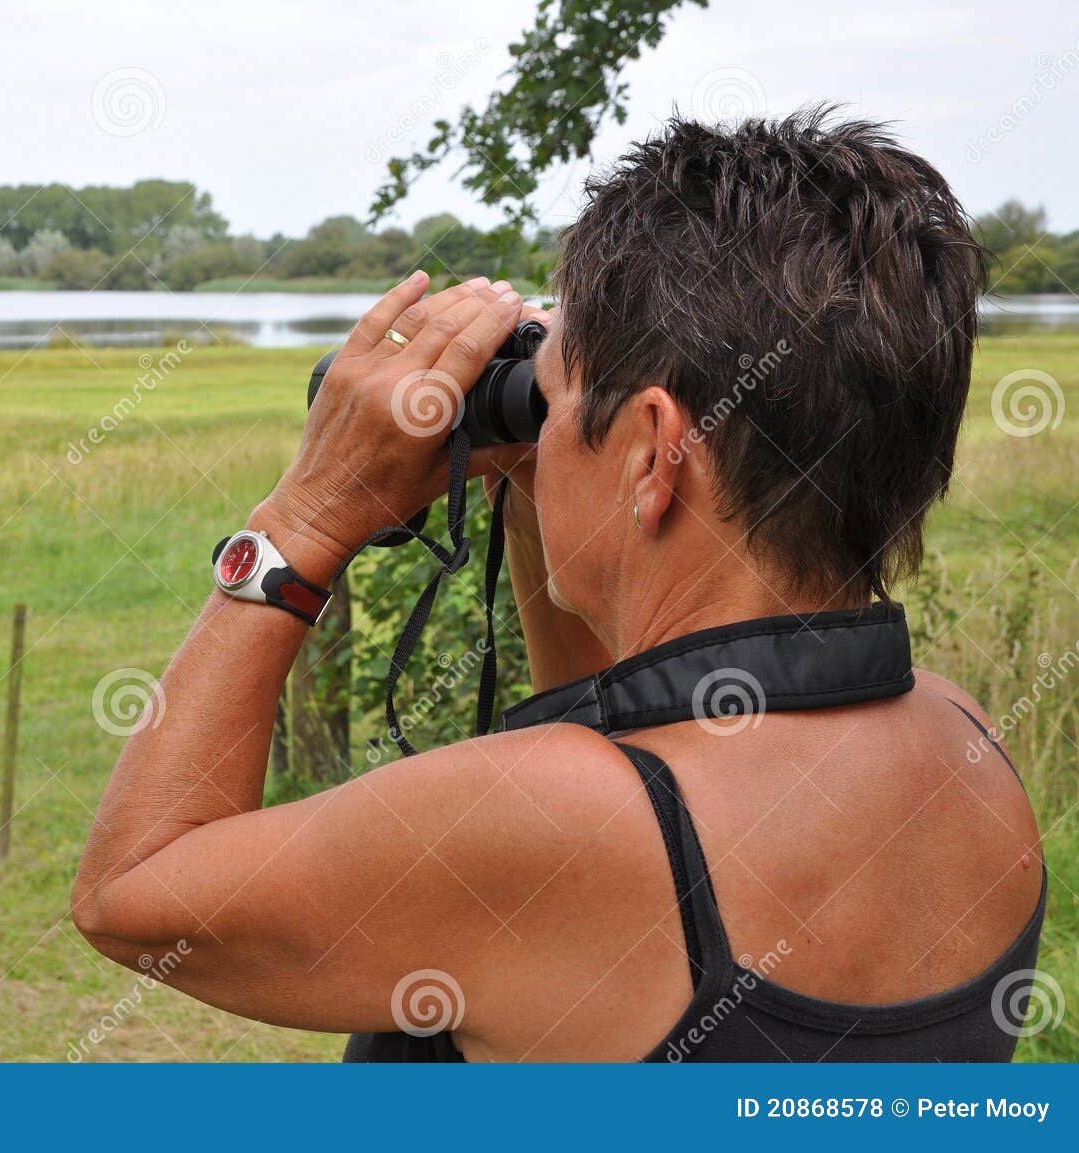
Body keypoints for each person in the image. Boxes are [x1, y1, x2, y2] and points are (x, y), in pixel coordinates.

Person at [71, 110, 1045, 1061]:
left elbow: (131, 893)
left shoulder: (551, 827)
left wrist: (304, 518)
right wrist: (553, 462)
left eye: (552, 400)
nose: (542, 429)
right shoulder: (967, 744)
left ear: (657, 452)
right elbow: (609, 734)